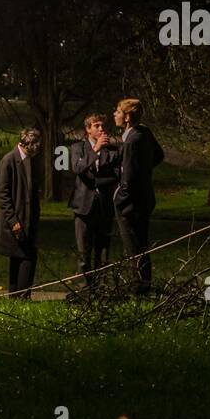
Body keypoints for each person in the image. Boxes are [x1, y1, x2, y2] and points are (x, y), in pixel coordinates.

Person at [112, 98, 164, 295]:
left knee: (133, 246)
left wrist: (119, 197)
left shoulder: (132, 139)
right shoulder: (144, 132)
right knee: (141, 244)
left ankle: (138, 289)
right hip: (144, 198)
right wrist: (145, 172)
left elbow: (129, 175)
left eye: (117, 111)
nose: (114, 114)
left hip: (131, 203)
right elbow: (159, 155)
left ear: (126, 117)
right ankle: (142, 285)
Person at [68, 113, 120, 291]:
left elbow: (115, 176)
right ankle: (84, 288)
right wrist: (95, 149)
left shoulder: (112, 150)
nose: (101, 129)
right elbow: (78, 168)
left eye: (102, 126)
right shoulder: (78, 148)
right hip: (83, 206)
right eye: (96, 126)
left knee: (103, 250)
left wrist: (97, 181)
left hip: (104, 206)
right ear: (88, 129)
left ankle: (101, 286)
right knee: (84, 251)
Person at [0, 128, 42, 298]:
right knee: (23, 257)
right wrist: (13, 221)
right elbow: (3, 194)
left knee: (23, 257)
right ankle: (19, 296)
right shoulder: (8, 161)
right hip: (16, 220)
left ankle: (17, 295)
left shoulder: (30, 160)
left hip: (28, 218)